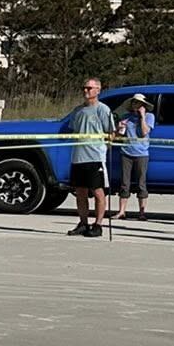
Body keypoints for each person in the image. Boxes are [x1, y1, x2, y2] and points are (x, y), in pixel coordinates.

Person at [63, 77, 113, 238]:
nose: (86, 91)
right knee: (80, 192)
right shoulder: (77, 111)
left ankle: (98, 225)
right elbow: (72, 130)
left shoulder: (102, 110)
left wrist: (109, 141)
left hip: (95, 157)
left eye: (89, 88)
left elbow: (110, 133)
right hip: (78, 157)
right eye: (84, 88)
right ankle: (83, 223)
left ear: (98, 90)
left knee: (98, 191)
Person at [110, 94, 154, 222]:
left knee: (141, 183)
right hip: (126, 152)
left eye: (140, 104)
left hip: (142, 153)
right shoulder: (126, 118)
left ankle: (142, 212)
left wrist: (142, 117)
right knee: (125, 183)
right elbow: (119, 135)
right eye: (135, 103)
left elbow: (145, 132)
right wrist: (120, 128)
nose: (137, 105)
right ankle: (122, 211)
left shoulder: (149, 117)